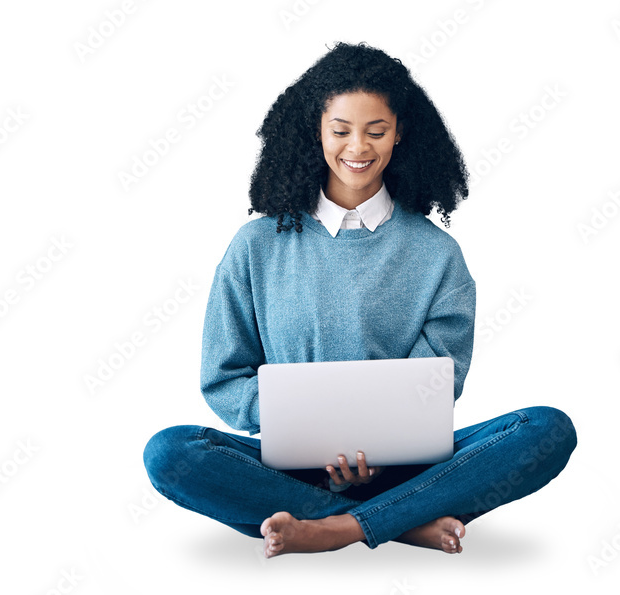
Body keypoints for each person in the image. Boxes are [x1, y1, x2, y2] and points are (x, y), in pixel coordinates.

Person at [143, 41, 577, 558]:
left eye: (376, 131)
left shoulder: (437, 255)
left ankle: (335, 527)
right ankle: (399, 522)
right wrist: (315, 436)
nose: (358, 147)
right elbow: (225, 377)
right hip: (292, 467)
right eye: (341, 130)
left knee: (546, 429)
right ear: (316, 131)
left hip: (405, 467)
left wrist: (377, 445)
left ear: (399, 133)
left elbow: (437, 385)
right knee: (170, 453)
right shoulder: (255, 246)